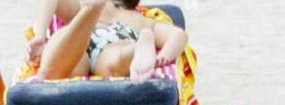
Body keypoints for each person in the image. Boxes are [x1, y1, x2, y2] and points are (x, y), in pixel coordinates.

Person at [31, 0, 187, 81]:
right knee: (116, 60)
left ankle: (92, 10)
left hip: (83, 35)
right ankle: (134, 52)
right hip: (117, 39)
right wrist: (163, 56)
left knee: (53, 71)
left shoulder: (78, 5)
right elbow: (178, 35)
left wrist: (40, 35)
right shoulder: (142, 21)